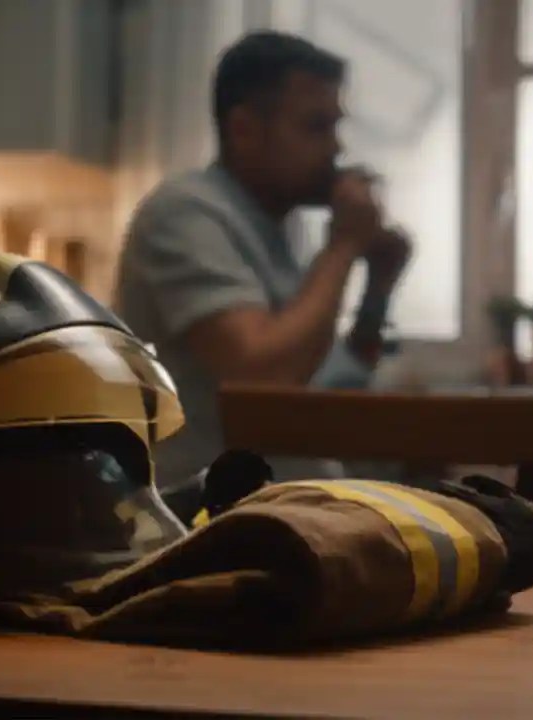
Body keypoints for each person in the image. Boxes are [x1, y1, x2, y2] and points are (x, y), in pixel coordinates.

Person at [114, 32, 411, 517]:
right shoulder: (185, 213)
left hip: (279, 513)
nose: (336, 147)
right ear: (245, 129)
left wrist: (377, 290)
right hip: (204, 522)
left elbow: (322, 389)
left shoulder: (282, 226)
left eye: (336, 126)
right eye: (316, 126)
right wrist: (343, 247)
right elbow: (262, 375)